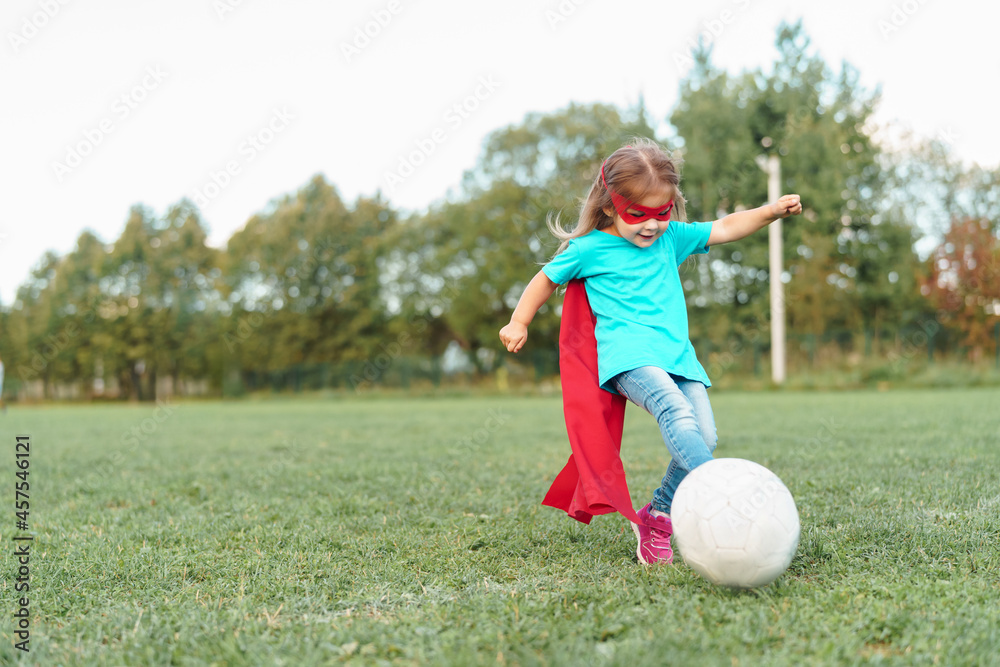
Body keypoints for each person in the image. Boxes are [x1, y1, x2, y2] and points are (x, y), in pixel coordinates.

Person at [499, 138, 802, 564]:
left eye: (662, 212)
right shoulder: (589, 249)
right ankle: (720, 489)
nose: (652, 225)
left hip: (678, 357)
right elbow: (546, 279)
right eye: (637, 214)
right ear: (610, 206)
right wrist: (519, 321)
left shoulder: (670, 238)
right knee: (675, 412)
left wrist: (770, 211)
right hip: (629, 359)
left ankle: (658, 515)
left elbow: (725, 227)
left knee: (704, 435)